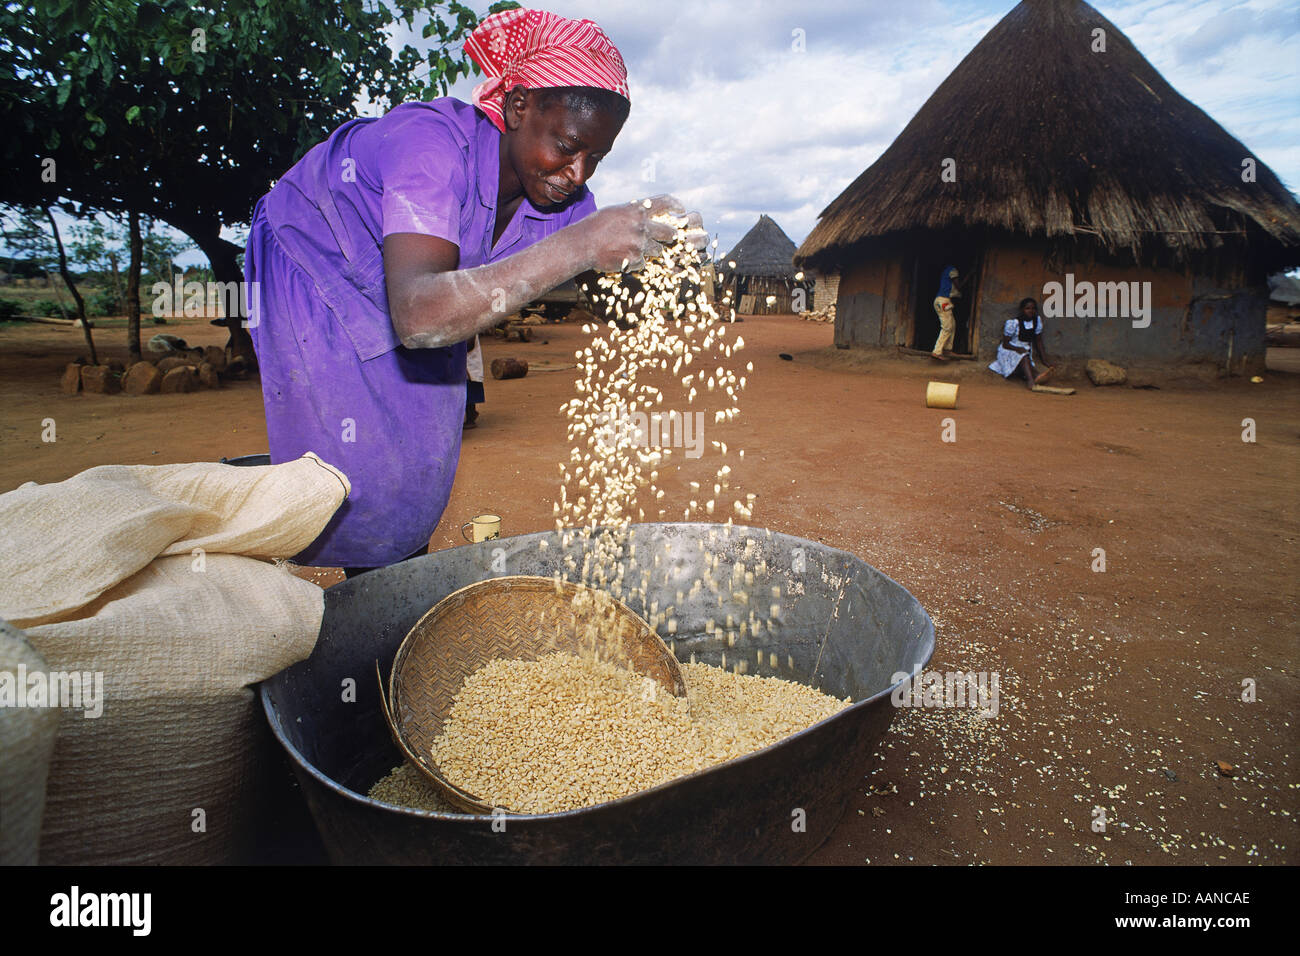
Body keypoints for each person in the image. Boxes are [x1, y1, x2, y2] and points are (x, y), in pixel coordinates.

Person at [244, 8, 705, 578]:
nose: (579, 173)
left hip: (424, 288)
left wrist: (659, 246)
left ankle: (393, 574)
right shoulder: (429, 145)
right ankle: (370, 593)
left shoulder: (566, 204)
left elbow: (601, 286)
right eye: (566, 145)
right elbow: (418, 316)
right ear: (517, 107)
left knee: (425, 432)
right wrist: (584, 242)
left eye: (597, 158)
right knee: (355, 458)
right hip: (317, 258)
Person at [988, 297, 1055, 389]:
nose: (1030, 311)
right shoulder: (1014, 323)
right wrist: (1017, 349)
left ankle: (1036, 376)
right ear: (1022, 310)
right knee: (1023, 356)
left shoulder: (1036, 321)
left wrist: (1044, 360)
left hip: (1024, 349)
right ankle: (1031, 380)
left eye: (1033, 308)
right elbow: (1005, 344)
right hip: (1010, 349)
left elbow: (1039, 341)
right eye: (1027, 308)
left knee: (1025, 355)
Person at [931, 264, 961, 361]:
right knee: (947, 327)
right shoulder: (952, 270)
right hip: (943, 301)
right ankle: (937, 351)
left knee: (952, 324)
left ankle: (948, 348)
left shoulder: (945, 271)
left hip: (943, 301)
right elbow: (957, 284)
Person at [464, 335, 484, 429]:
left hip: (468, 360)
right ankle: (471, 414)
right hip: (463, 360)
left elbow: (469, 344)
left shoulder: (470, 328)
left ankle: (470, 417)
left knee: (469, 390)